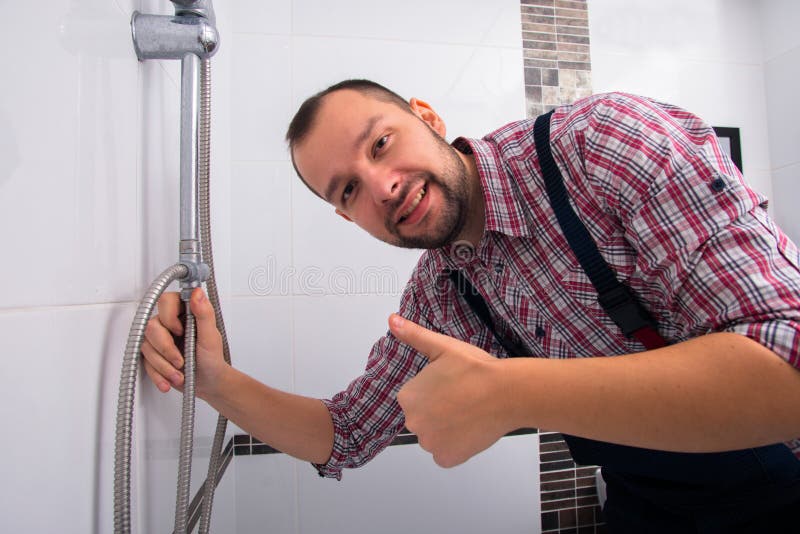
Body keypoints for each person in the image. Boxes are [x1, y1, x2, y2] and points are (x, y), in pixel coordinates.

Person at [142, 79, 800, 531]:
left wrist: (514, 392)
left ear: (428, 118)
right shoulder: (439, 296)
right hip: (648, 509)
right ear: (347, 218)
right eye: (348, 191)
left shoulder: (602, 145)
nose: (384, 184)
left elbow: (788, 364)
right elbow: (341, 436)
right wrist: (215, 383)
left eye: (381, 144)